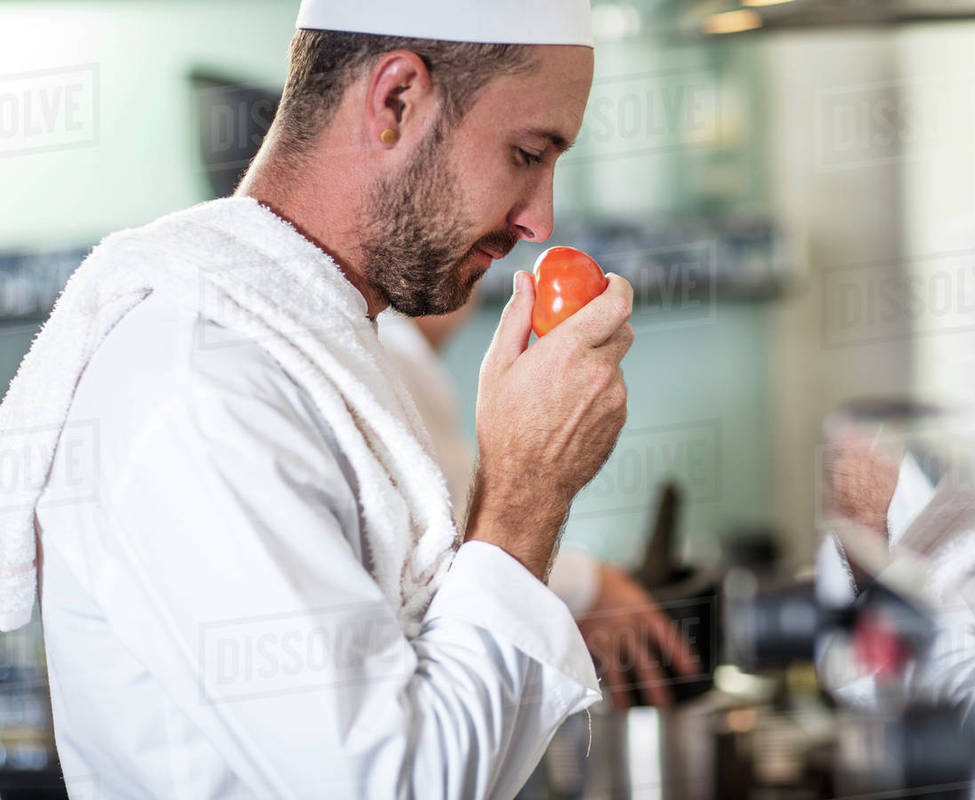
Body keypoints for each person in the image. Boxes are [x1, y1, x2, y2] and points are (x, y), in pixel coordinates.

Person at [1, 2, 640, 797]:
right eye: (526, 153)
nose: (538, 220)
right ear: (397, 101)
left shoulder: (323, 348)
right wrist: (528, 488)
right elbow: (396, 785)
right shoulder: (204, 386)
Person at [377, 295, 700, 711]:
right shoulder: (393, 357)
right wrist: (588, 585)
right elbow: (446, 550)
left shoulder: (404, 360)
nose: (528, 229)